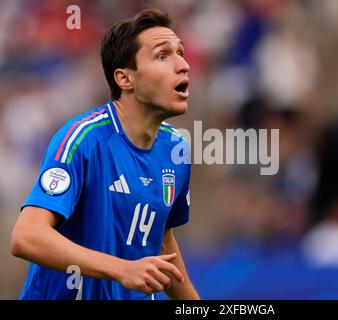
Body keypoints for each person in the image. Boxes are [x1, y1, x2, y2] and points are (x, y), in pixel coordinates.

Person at [10, 8, 199, 300]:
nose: (183, 65)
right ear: (125, 79)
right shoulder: (84, 139)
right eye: (163, 56)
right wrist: (121, 269)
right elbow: (27, 237)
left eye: (181, 53)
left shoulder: (177, 149)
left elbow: (160, 239)